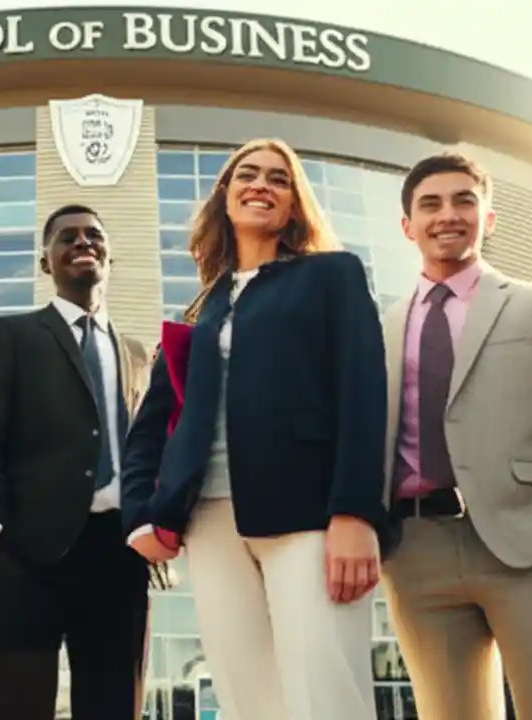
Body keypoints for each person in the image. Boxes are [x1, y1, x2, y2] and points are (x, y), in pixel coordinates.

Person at [121, 138, 386, 720]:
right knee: (247, 701)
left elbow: (364, 393)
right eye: (247, 174)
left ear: (294, 206)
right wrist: (141, 512)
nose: (260, 184)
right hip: (211, 522)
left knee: (325, 697)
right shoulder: (204, 306)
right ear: (225, 196)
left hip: (309, 517)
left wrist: (356, 512)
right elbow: (151, 425)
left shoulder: (331, 275)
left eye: (278, 178)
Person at [379, 151, 532, 720]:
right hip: (416, 552)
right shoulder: (381, 326)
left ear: (488, 218)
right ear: (407, 226)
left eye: (464, 200)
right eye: (430, 204)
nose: (448, 215)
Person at [0, 204, 153, 720]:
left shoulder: (134, 351)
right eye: (66, 237)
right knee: (19, 704)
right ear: (45, 262)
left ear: (109, 255)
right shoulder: (12, 336)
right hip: (28, 552)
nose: (82, 243)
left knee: (113, 701)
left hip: (119, 550)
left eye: (94, 234)